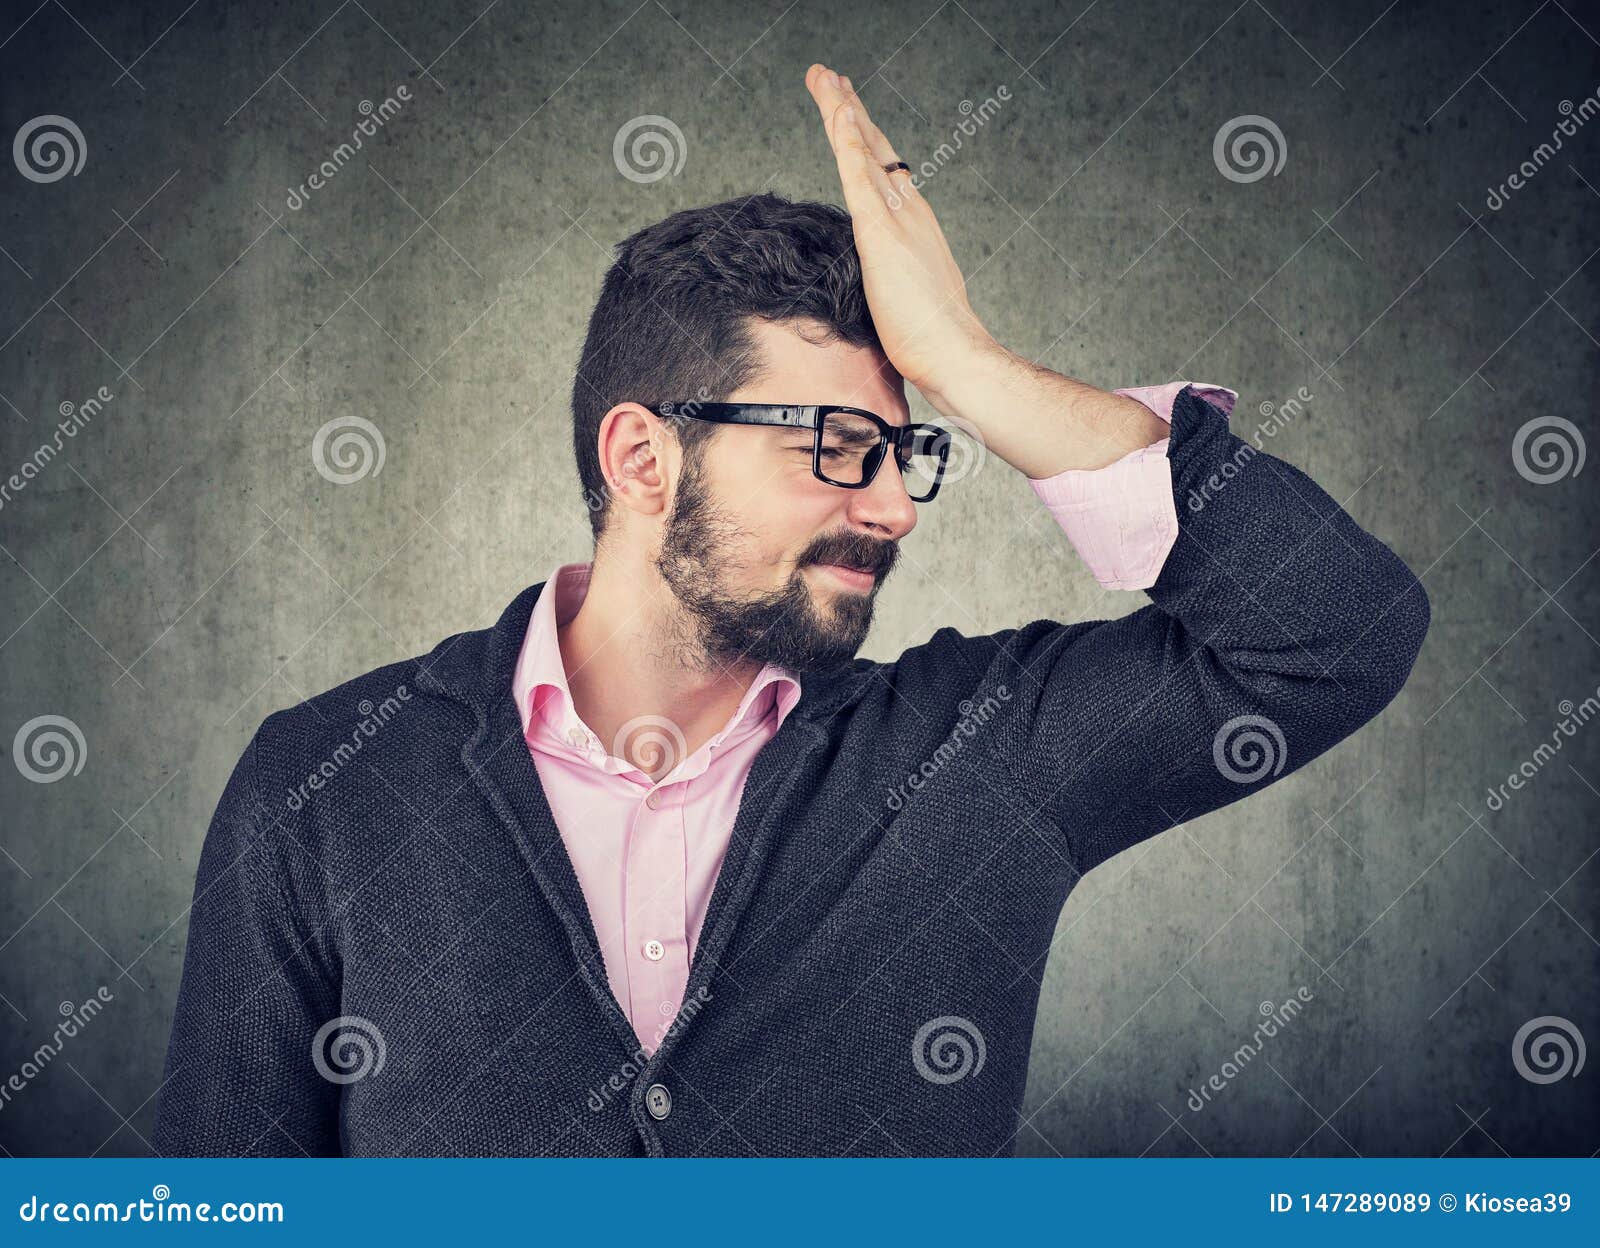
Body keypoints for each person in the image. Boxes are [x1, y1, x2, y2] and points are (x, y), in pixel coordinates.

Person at [150, 65, 1428, 1157]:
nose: (896, 507)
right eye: (833, 445)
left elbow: (1333, 634)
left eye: (904, 450)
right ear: (643, 459)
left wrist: (968, 365)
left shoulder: (981, 758)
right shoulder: (324, 782)